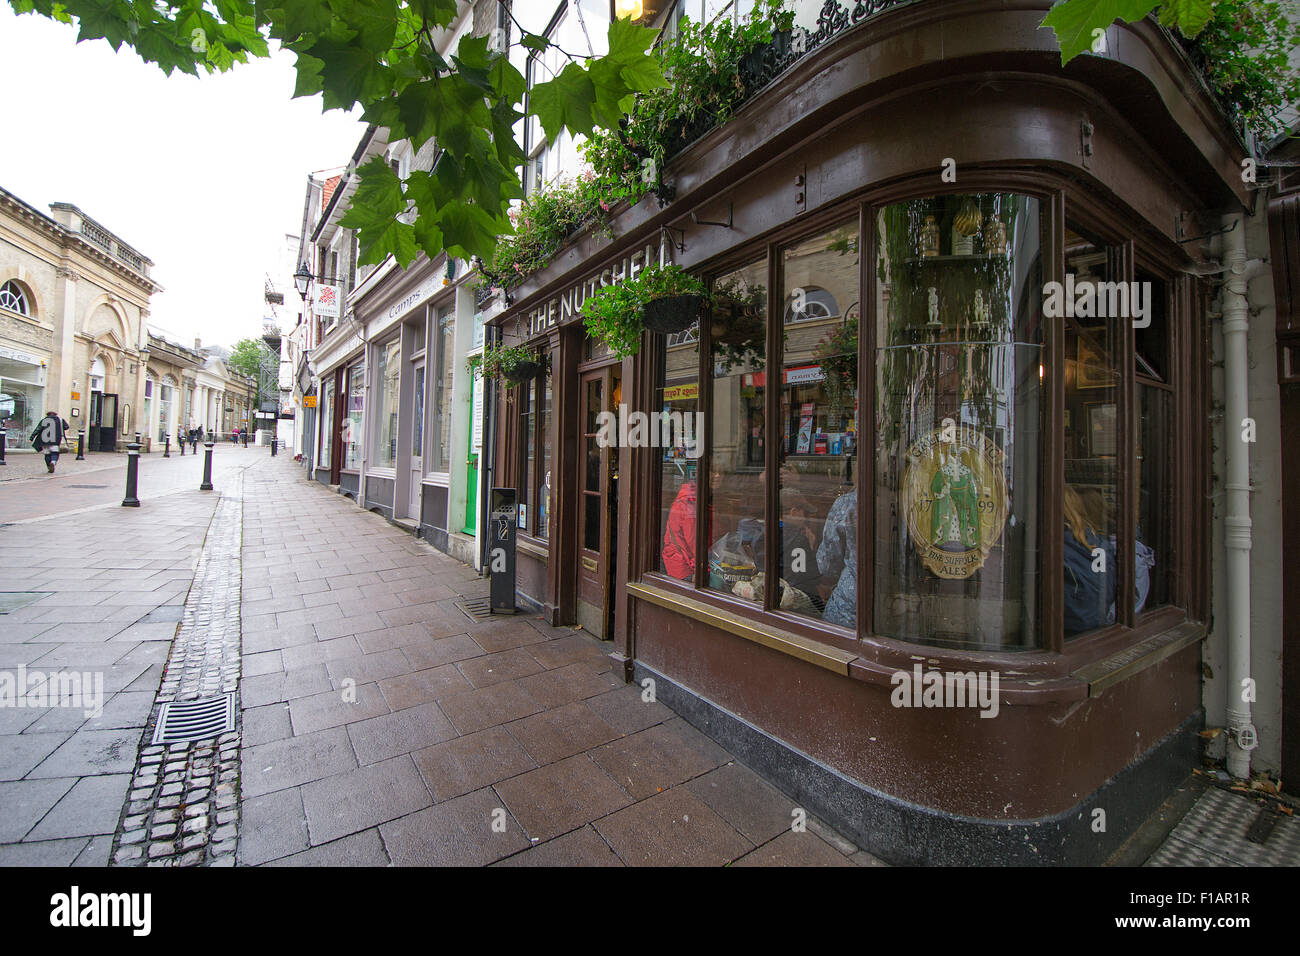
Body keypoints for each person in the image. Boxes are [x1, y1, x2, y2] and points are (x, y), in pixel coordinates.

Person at [30, 410, 70, 474]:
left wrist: (32, 437)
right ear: (55, 414)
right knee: (55, 453)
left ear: (47, 415)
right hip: (55, 440)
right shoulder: (60, 420)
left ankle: (49, 467)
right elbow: (66, 427)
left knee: (47, 454)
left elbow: (38, 429)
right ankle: (53, 462)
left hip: (44, 440)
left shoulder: (44, 420)